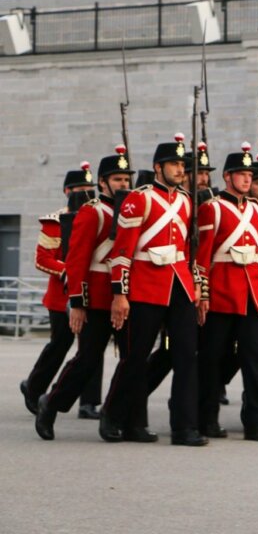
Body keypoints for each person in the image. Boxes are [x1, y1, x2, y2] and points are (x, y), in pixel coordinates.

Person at [102, 134, 206, 446]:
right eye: (174, 164)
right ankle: (114, 414)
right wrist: (120, 294)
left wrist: (196, 285)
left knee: (186, 355)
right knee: (135, 357)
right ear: (157, 167)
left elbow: (188, 250)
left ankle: (184, 427)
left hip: (179, 285)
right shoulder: (140, 198)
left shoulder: (187, 200)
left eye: (182, 164)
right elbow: (121, 251)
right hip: (145, 285)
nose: (180, 169)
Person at [35, 147, 134, 439]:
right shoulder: (93, 212)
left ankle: (112, 415)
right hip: (96, 298)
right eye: (117, 179)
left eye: (126, 179)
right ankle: (51, 404)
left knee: (131, 359)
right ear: (102, 183)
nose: (123, 185)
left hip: (125, 297)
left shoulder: (131, 211)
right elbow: (76, 260)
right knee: (87, 360)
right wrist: (77, 303)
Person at [194, 143, 258, 441]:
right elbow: (202, 255)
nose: (246, 180)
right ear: (227, 176)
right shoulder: (212, 208)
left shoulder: (255, 209)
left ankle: (255, 421)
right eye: (241, 174)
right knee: (213, 359)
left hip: (252, 292)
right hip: (222, 291)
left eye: (249, 175)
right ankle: (207, 418)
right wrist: (202, 293)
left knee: (255, 361)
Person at [21, 162, 98, 417]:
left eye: (90, 188)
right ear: (68, 191)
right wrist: (69, 270)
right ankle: (34, 388)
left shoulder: (99, 216)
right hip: (61, 296)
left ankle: (88, 402)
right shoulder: (54, 222)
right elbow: (42, 258)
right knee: (60, 345)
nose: (87, 192)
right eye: (81, 188)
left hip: (91, 292)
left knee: (90, 349)